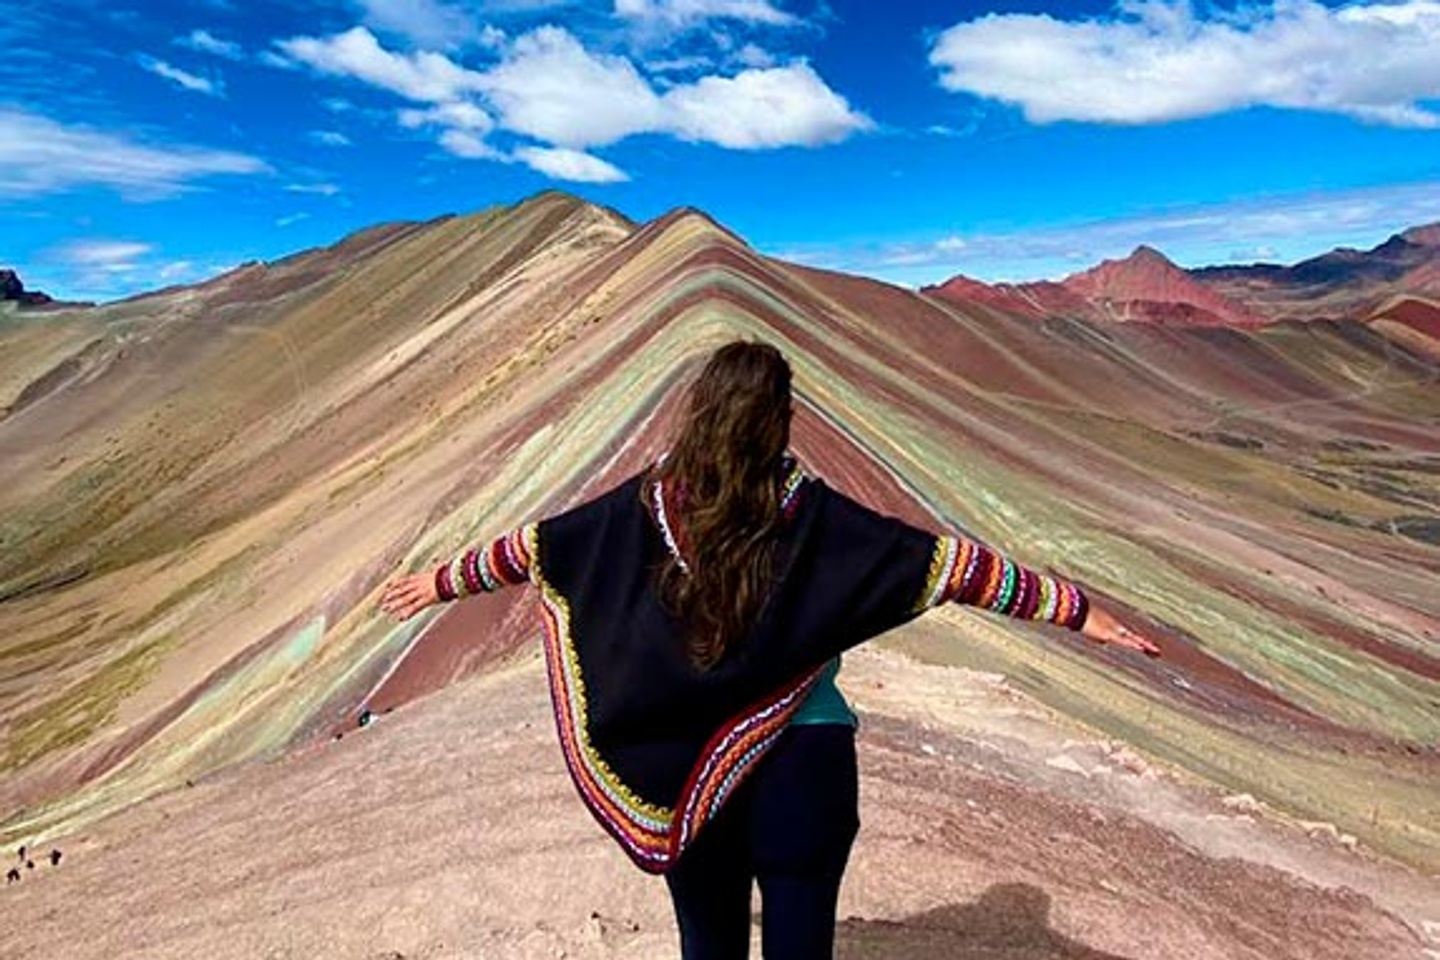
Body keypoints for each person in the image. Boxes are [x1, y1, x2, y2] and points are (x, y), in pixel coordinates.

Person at [380, 338, 1159, 959]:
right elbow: (954, 568)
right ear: (777, 422)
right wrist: (1082, 615)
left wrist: (439, 582)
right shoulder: (815, 519)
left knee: (709, 943)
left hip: (688, 781)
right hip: (808, 769)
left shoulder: (643, 507)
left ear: (703, 413)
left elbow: (539, 550)